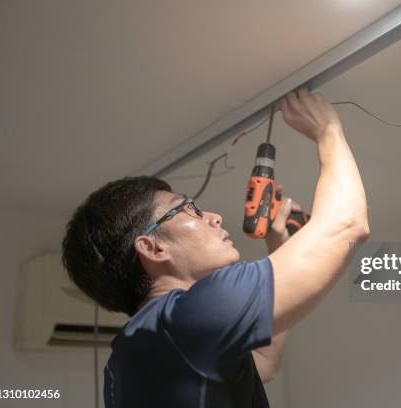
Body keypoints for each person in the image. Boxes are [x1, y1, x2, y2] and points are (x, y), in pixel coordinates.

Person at [61, 89, 369, 408]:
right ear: (152, 247)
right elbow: (347, 224)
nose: (213, 217)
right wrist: (327, 130)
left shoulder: (136, 348)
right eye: (188, 209)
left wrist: (278, 247)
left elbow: (263, 363)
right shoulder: (185, 317)